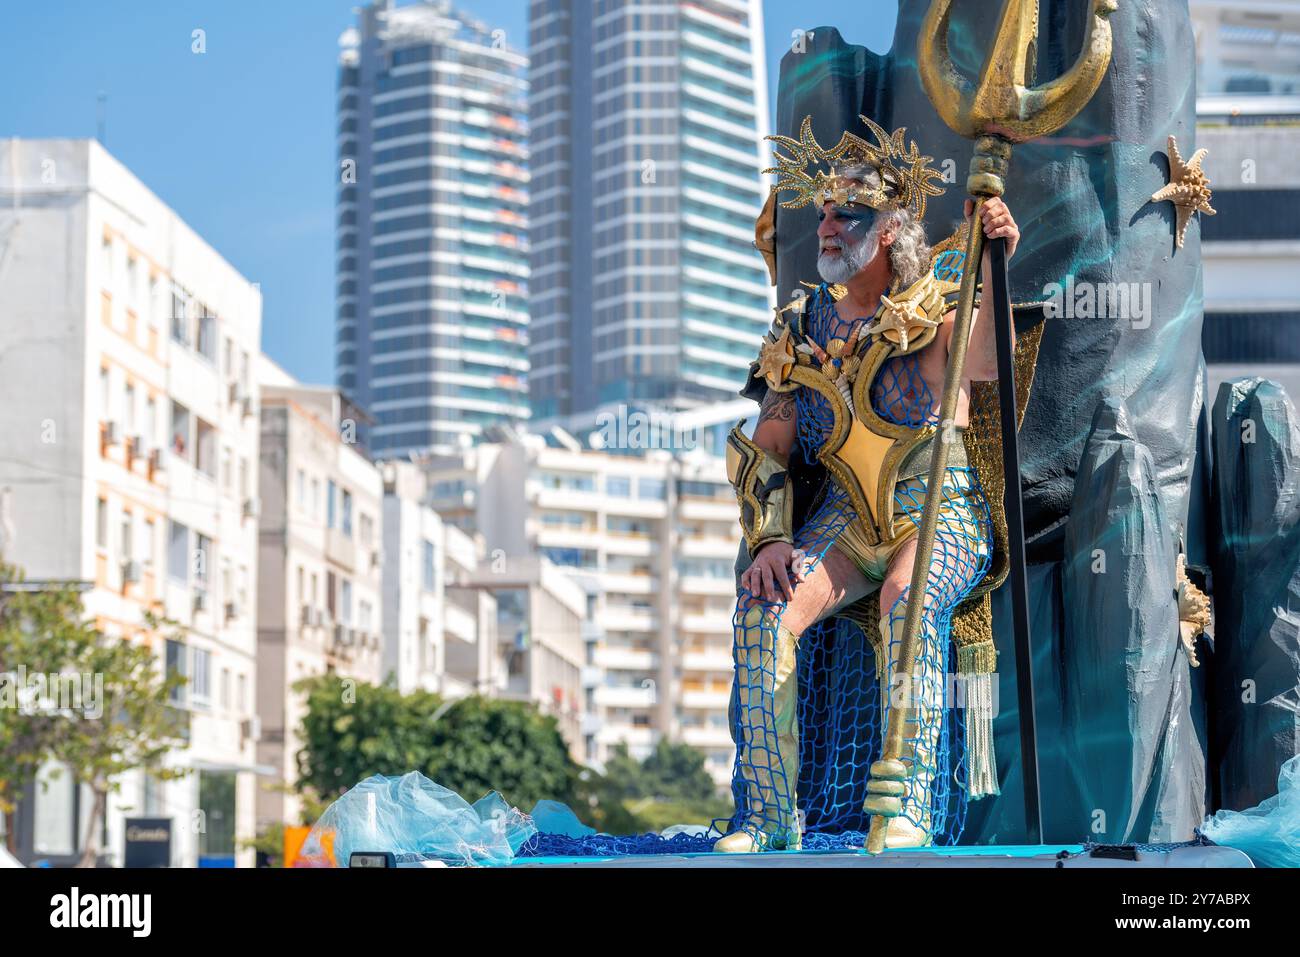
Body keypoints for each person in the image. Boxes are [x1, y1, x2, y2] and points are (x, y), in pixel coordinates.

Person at [717, 116, 1020, 852]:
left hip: (938, 509)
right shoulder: (800, 328)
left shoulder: (937, 301)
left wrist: (994, 263)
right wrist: (771, 539)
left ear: (887, 230)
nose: (826, 227)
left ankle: (906, 803)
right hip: (849, 520)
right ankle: (765, 815)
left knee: (906, 597)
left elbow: (987, 365)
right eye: (822, 213)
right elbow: (771, 444)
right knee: (763, 612)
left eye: (844, 215)